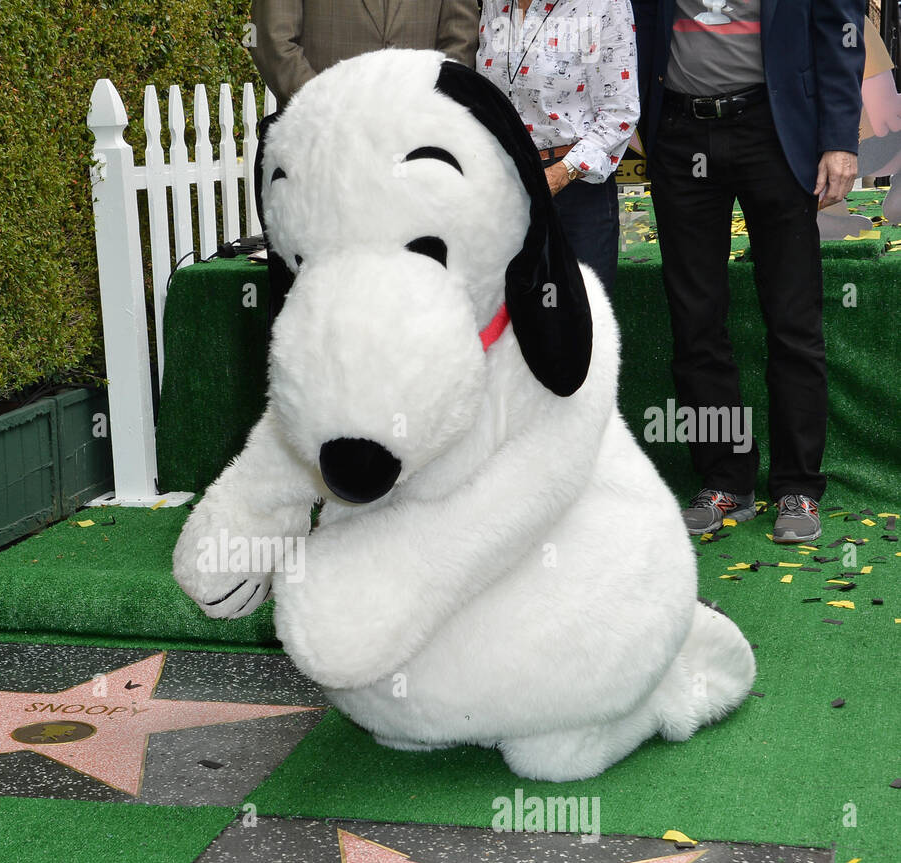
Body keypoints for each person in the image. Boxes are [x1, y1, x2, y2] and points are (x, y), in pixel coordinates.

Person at [631, 0, 868, 543]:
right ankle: (725, 481)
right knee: (696, 321)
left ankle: (798, 487)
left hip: (776, 131)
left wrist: (839, 139)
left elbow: (840, 30)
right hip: (680, 134)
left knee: (793, 320)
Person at [476, 0, 640, 297]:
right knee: (508, 322)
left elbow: (620, 112)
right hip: (503, 187)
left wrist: (560, 174)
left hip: (575, 189)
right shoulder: (495, 3)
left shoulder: (604, 4)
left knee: (580, 321)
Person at [250, 0, 481, 106]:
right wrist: (326, 106)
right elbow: (272, 40)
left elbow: (461, 39)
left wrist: (426, 106)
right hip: (320, 148)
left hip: (417, 149)